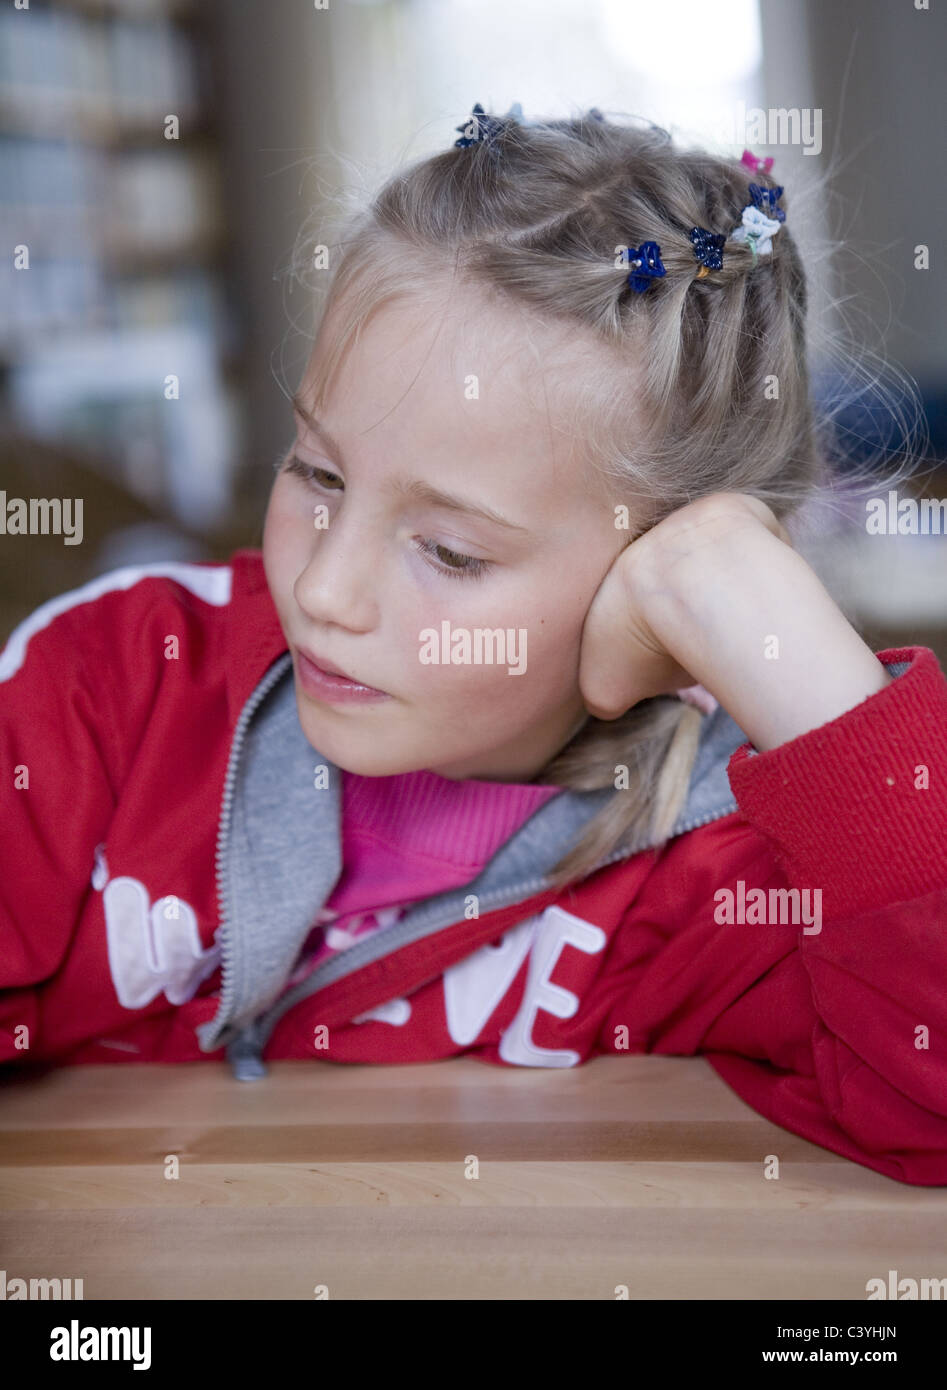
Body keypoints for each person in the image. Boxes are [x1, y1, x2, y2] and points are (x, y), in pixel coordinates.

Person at [2, 108, 945, 1188]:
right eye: (316, 474)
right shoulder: (115, 687)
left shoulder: (713, 871)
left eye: (448, 553)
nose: (323, 589)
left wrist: (771, 636)